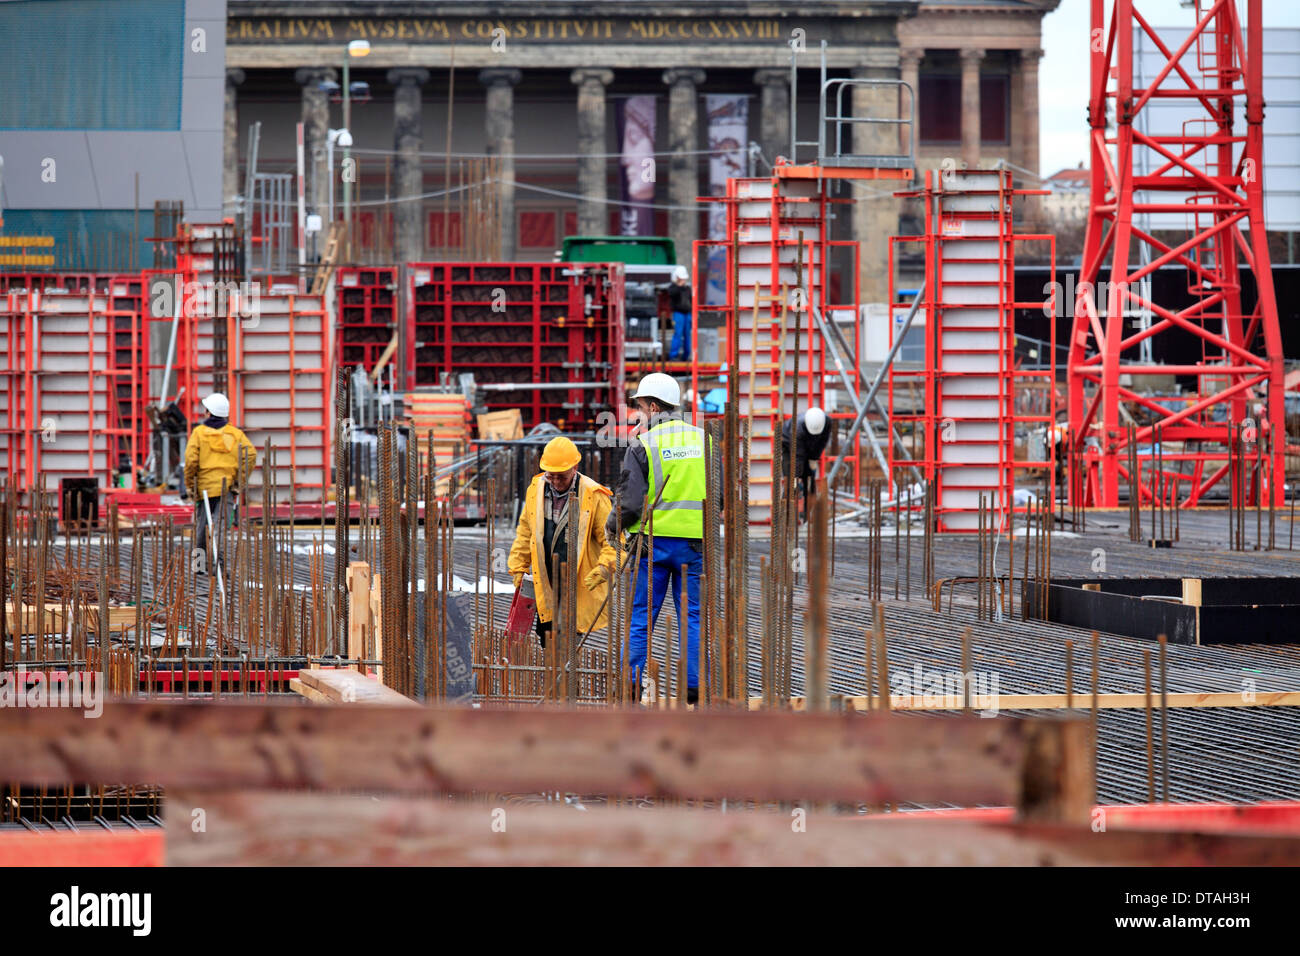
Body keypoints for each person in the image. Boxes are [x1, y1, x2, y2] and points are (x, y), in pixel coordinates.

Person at [607, 372, 707, 704]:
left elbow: (631, 504)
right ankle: (694, 686)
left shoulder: (643, 444)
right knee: (691, 614)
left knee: (640, 616)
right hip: (694, 544)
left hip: (651, 545)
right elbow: (718, 494)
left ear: (653, 405)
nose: (638, 413)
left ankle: (632, 685)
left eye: (640, 407)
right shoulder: (703, 440)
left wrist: (613, 524)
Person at [507, 436, 618, 647]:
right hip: (545, 577)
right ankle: (553, 676)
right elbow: (525, 532)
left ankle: (566, 679)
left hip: (577, 580)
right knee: (547, 636)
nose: (556, 482)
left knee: (568, 640)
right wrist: (518, 567)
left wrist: (605, 567)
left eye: (562, 477)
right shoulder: (536, 490)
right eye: (552, 476)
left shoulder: (594, 494)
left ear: (575, 467)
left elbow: (612, 538)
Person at [183, 393, 256, 572]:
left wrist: (191, 486)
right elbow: (251, 455)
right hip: (226, 488)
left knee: (200, 527)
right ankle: (219, 567)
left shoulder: (199, 433)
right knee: (220, 528)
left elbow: (191, 461)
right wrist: (239, 481)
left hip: (204, 488)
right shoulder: (236, 434)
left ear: (208, 412)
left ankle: (198, 566)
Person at [779, 407, 831, 504]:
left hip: (808, 444)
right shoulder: (798, 429)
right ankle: (786, 510)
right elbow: (797, 457)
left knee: (810, 479)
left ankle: (809, 513)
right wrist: (796, 478)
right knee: (791, 482)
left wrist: (814, 459)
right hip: (788, 444)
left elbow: (822, 443)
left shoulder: (827, 423)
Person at [667, 265, 692, 361]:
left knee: (687, 335)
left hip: (687, 314)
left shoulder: (687, 289)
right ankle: (673, 355)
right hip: (678, 314)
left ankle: (686, 355)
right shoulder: (673, 288)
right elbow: (672, 294)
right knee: (677, 334)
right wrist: (679, 286)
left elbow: (691, 300)